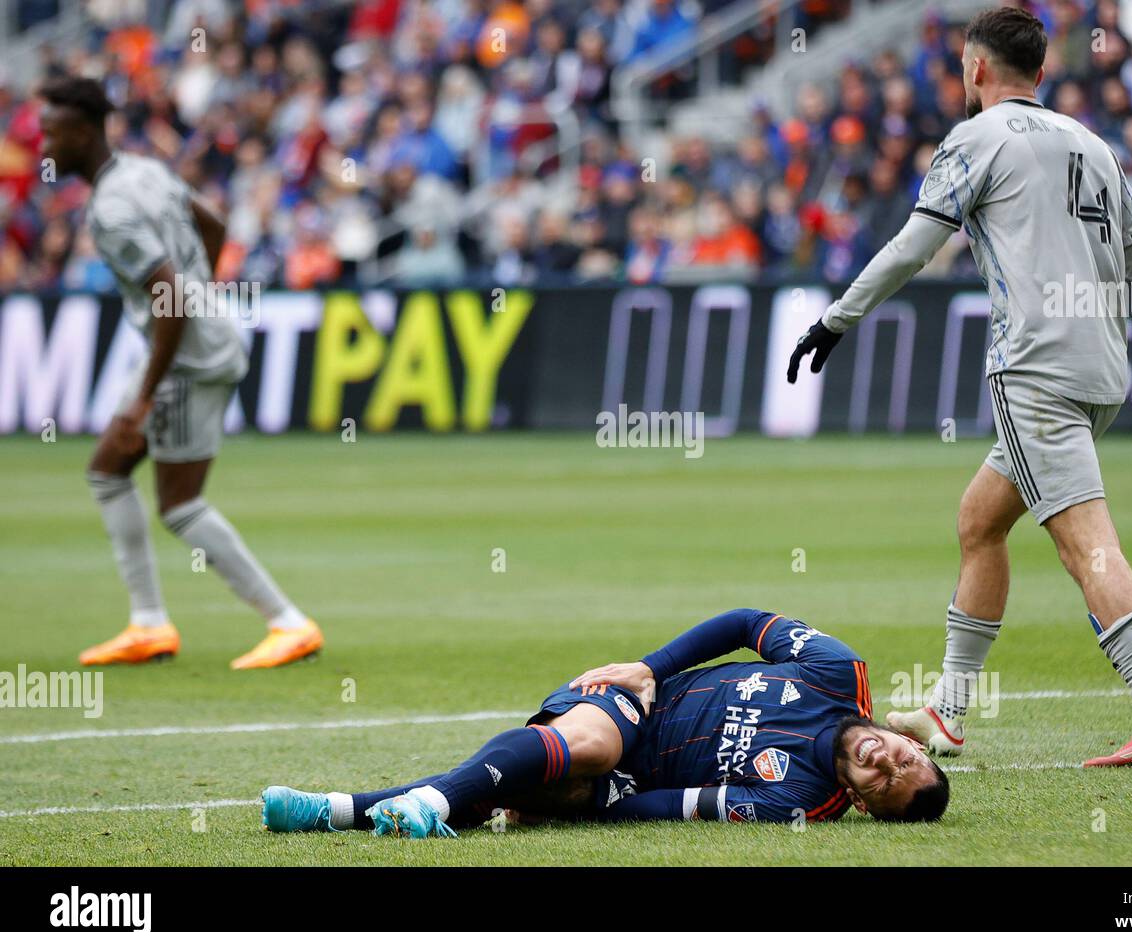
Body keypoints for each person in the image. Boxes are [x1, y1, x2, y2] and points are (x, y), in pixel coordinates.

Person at [786, 7, 1132, 767]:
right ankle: (949, 711)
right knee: (981, 519)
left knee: (1088, 548)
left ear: (976, 68)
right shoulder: (1094, 144)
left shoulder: (975, 138)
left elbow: (915, 245)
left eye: (960, 63)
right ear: (1040, 73)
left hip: (1035, 370)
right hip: (1104, 368)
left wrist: (837, 319)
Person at [39, 76, 323, 670]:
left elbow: (168, 294)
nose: (44, 146)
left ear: (85, 132)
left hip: (188, 360)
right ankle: (147, 625)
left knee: (180, 504)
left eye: (53, 133)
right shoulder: (143, 170)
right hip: (191, 342)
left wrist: (145, 397)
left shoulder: (111, 210)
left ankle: (288, 622)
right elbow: (215, 224)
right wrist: (205, 303)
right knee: (108, 471)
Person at [261, 609, 949, 837]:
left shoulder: (798, 803)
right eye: (905, 759)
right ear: (911, 740)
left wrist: (589, 811)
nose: (886, 761)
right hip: (630, 705)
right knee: (588, 744)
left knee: (527, 790)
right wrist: (651, 668)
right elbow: (744, 623)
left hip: (626, 772)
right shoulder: (838, 672)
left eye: (883, 781)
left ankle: (328, 810)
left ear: (859, 800)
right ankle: (433, 801)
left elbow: (678, 806)